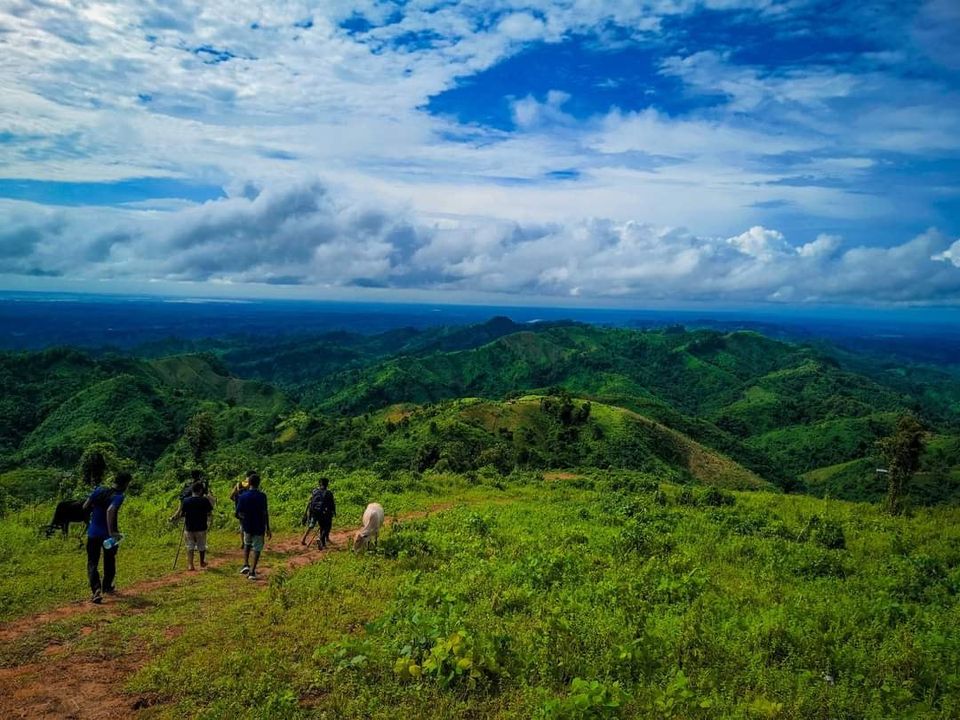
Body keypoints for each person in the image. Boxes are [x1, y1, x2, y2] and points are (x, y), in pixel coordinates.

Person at [83, 471, 131, 604]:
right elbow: (110, 511)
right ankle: (107, 586)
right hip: (107, 536)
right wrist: (112, 533)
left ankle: (96, 589)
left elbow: (85, 506)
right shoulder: (118, 496)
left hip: (93, 533)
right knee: (109, 560)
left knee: (92, 562)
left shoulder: (99, 490)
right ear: (126, 484)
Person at [169, 481, 214, 571]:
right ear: (201, 490)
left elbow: (182, 513)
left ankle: (190, 565)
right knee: (202, 546)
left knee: (190, 546)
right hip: (201, 527)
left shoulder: (186, 501)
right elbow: (209, 512)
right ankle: (202, 562)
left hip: (189, 527)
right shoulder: (204, 500)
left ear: (192, 490)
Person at [235, 472, 271, 580]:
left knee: (247, 544)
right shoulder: (262, 496)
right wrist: (268, 528)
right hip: (259, 525)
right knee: (257, 548)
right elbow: (265, 512)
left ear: (249, 483)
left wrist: (244, 518)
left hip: (247, 525)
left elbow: (238, 513)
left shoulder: (243, 496)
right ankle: (252, 571)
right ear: (259, 483)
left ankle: (245, 564)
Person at [300, 477, 336, 549]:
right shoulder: (328, 493)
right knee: (326, 526)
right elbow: (332, 504)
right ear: (327, 484)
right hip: (323, 513)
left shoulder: (315, 491)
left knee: (311, 525)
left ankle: (303, 539)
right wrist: (333, 512)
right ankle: (323, 539)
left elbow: (310, 502)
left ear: (320, 483)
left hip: (314, 512)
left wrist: (305, 513)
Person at [229, 471, 254, 549]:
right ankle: (250, 543)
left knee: (242, 525)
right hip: (250, 509)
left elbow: (231, 496)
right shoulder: (252, 484)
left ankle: (243, 543)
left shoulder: (238, 484)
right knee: (251, 525)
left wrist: (238, 502)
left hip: (240, 509)